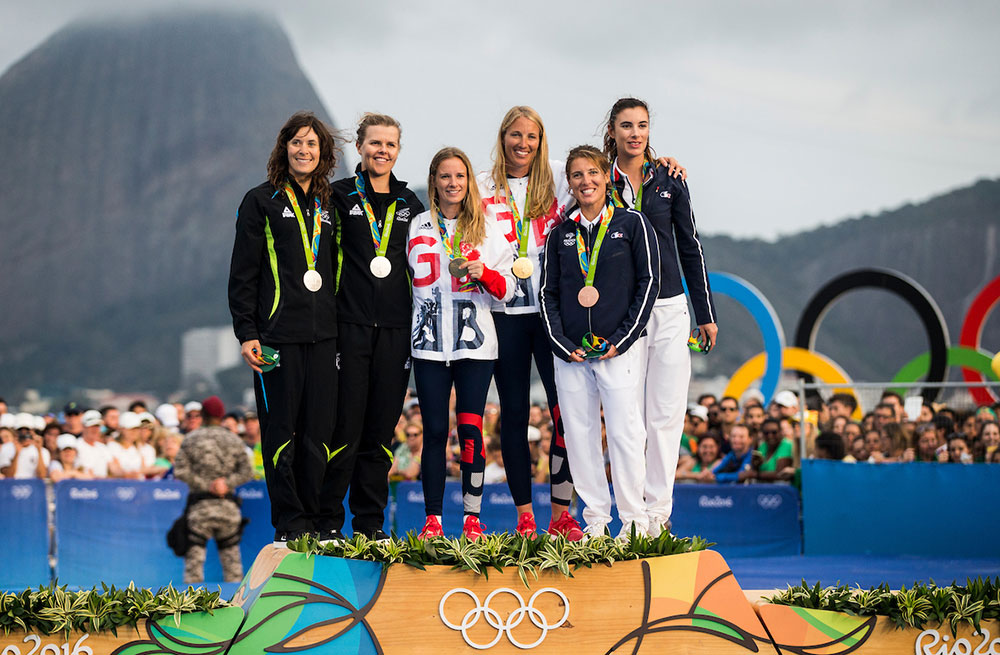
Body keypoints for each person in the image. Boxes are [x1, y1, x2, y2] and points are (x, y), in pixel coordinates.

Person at [602, 97, 716, 537]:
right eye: (626, 125)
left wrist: (704, 311)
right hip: (621, 312)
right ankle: (629, 516)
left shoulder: (669, 178)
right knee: (626, 417)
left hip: (669, 308)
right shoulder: (598, 178)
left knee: (665, 416)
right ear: (611, 130)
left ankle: (657, 516)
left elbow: (690, 246)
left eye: (642, 125)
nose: (635, 133)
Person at [228, 111, 340, 546]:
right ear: (284, 148)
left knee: (319, 435)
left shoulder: (330, 204)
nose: (304, 150)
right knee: (281, 432)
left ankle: (315, 522)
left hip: (325, 338)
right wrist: (247, 333)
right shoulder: (261, 200)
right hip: (276, 338)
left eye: (312, 144)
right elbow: (243, 274)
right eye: (297, 142)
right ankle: (290, 523)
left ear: (323, 153)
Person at [540, 145, 659, 539]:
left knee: (626, 433)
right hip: (571, 353)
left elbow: (648, 284)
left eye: (592, 173)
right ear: (569, 183)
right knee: (579, 435)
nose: (585, 181)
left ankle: (634, 522)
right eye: (577, 175)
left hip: (617, 349)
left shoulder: (632, 224)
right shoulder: (561, 234)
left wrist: (621, 340)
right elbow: (548, 294)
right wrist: (560, 343)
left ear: (606, 177)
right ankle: (595, 521)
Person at [322, 113, 424, 543]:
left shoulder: (411, 205)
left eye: (390, 145)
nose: (382, 151)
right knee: (344, 428)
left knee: (381, 431)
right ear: (360, 147)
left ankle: (369, 525)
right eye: (375, 143)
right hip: (350, 327)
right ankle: (328, 521)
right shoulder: (338, 196)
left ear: (398, 151)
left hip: (396, 330)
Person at [408, 147, 515, 541]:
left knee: (470, 429)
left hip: (475, 344)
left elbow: (509, 290)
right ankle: (432, 522)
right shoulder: (416, 225)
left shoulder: (487, 228)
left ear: (469, 182)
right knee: (435, 431)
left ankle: (472, 519)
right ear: (434, 180)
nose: (453, 184)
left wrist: (485, 272)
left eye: (460, 177)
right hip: (429, 344)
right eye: (445, 176)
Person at [173, 396, 254, 584]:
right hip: (228, 509)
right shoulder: (233, 440)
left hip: (200, 510)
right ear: (221, 415)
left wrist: (205, 485)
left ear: (203, 414)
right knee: (232, 566)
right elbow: (247, 471)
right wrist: (226, 484)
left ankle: (190, 607)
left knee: (194, 567)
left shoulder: (191, 439)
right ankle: (236, 607)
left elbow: (181, 470)